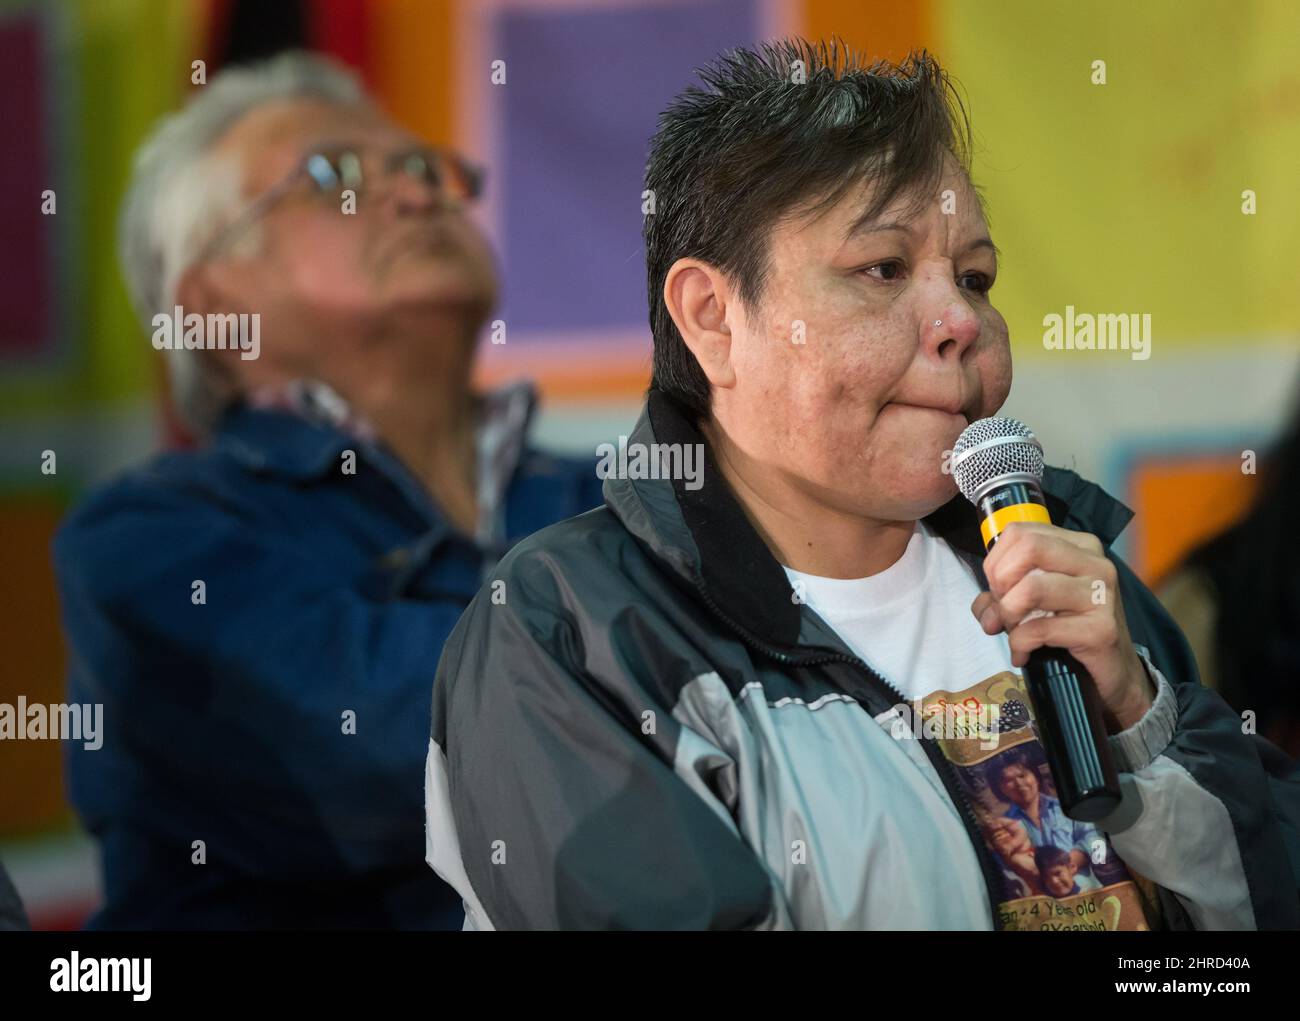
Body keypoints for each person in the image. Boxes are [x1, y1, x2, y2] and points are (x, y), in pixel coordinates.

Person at [423, 39, 1300, 930]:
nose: (962, 319)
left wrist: (1139, 721)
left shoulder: (1065, 569)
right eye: (883, 268)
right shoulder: (570, 628)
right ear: (713, 318)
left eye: (975, 277)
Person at [53, 52, 603, 929]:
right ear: (207, 299)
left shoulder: (614, 490)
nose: (418, 193)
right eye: (335, 175)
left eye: (427, 167)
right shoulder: (147, 538)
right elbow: (385, 749)